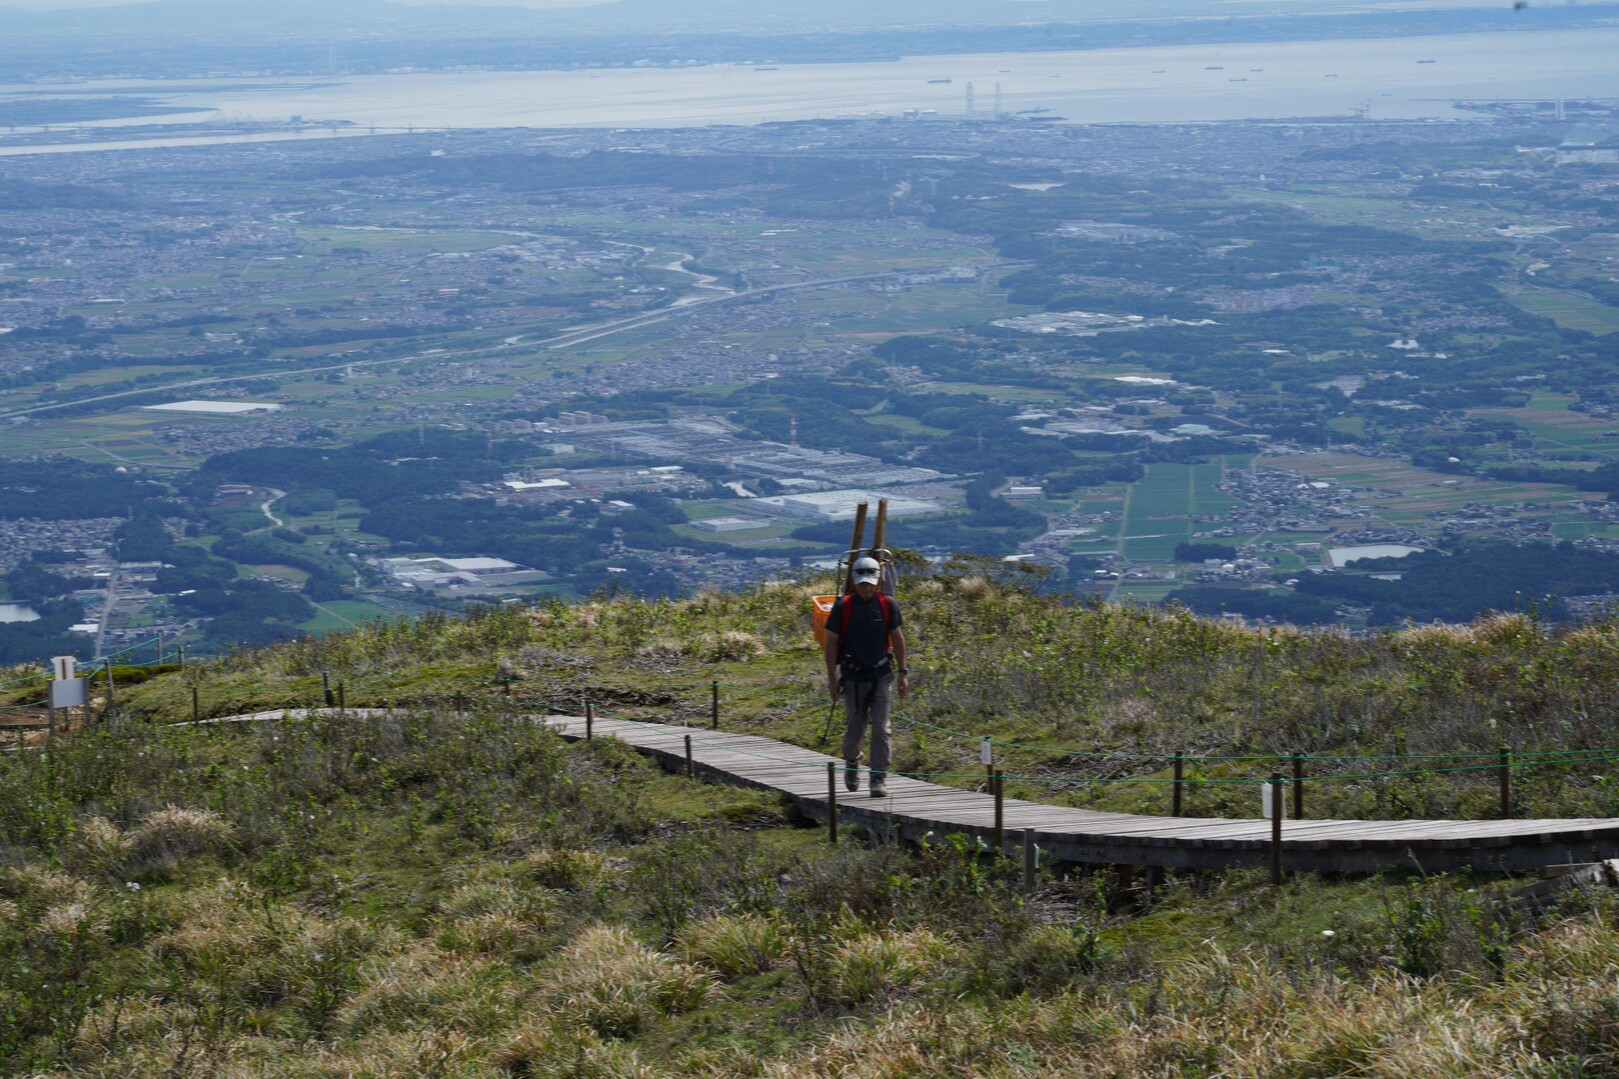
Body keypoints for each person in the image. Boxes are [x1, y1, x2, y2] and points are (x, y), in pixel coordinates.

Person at [823, 556, 908, 797]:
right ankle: (852, 762)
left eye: (870, 583)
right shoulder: (843, 607)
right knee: (854, 730)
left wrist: (903, 672)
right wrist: (831, 677)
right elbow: (830, 642)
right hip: (853, 677)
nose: (866, 588)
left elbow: (898, 638)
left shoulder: (887, 604)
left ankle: (878, 778)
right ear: (855, 581)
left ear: (877, 582)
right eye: (862, 583)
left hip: (881, 674)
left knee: (881, 728)